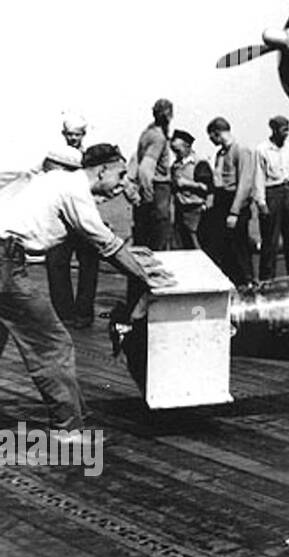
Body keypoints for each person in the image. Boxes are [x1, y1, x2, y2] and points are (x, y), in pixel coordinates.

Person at [0, 144, 170, 431]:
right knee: (52, 345)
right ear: (102, 170)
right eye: (119, 175)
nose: (121, 184)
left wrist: (137, 260)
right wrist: (147, 278)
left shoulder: (55, 180)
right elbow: (106, 243)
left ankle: (74, 416)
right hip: (5, 265)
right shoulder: (76, 190)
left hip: (5, 257)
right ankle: (69, 429)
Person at [44, 115, 100, 329]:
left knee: (89, 263)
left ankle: (84, 312)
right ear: (63, 134)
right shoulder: (55, 158)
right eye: (70, 134)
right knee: (56, 263)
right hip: (61, 220)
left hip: (83, 217)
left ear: (83, 135)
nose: (73, 138)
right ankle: (64, 313)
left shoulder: (90, 158)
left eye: (77, 134)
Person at [253, 116, 289, 280]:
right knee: (270, 240)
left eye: (288, 129)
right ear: (274, 130)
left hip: (288, 191)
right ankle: (267, 279)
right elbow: (258, 177)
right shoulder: (262, 150)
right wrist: (261, 202)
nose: (286, 133)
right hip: (271, 193)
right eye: (283, 129)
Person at [206, 117, 256, 287]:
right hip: (222, 201)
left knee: (240, 245)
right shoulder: (221, 153)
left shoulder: (241, 150)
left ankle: (248, 282)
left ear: (216, 134)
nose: (211, 141)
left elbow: (245, 183)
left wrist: (234, 211)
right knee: (225, 246)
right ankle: (234, 281)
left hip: (235, 201)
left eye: (211, 137)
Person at [132, 98, 175, 250]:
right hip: (157, 190)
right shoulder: (158, 137)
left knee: (145, 236)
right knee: (159, 235)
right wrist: (148, 194)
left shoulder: (147, 133)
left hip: (149, 189)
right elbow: (145, 168)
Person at [169, 130, 212, 251]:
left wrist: (187, 184)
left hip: (195, 210)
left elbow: (207, 187)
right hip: (180, 210)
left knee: (196, 244)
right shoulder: (175, 165)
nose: (175, 153)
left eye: (178, 150)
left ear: (187, 146)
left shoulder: (199, 163)